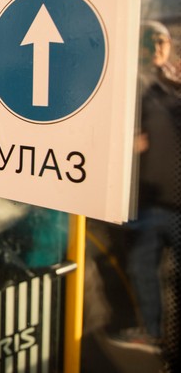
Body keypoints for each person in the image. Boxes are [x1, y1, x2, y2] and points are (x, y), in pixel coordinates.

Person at [115, 21, 181, 355]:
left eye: (162, 41)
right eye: (149, 41)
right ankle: (154, 333)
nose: (156, 47)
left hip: (172, 200)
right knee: (143, 268)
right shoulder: (134, 84)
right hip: (150, 200)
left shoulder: (173, 86)